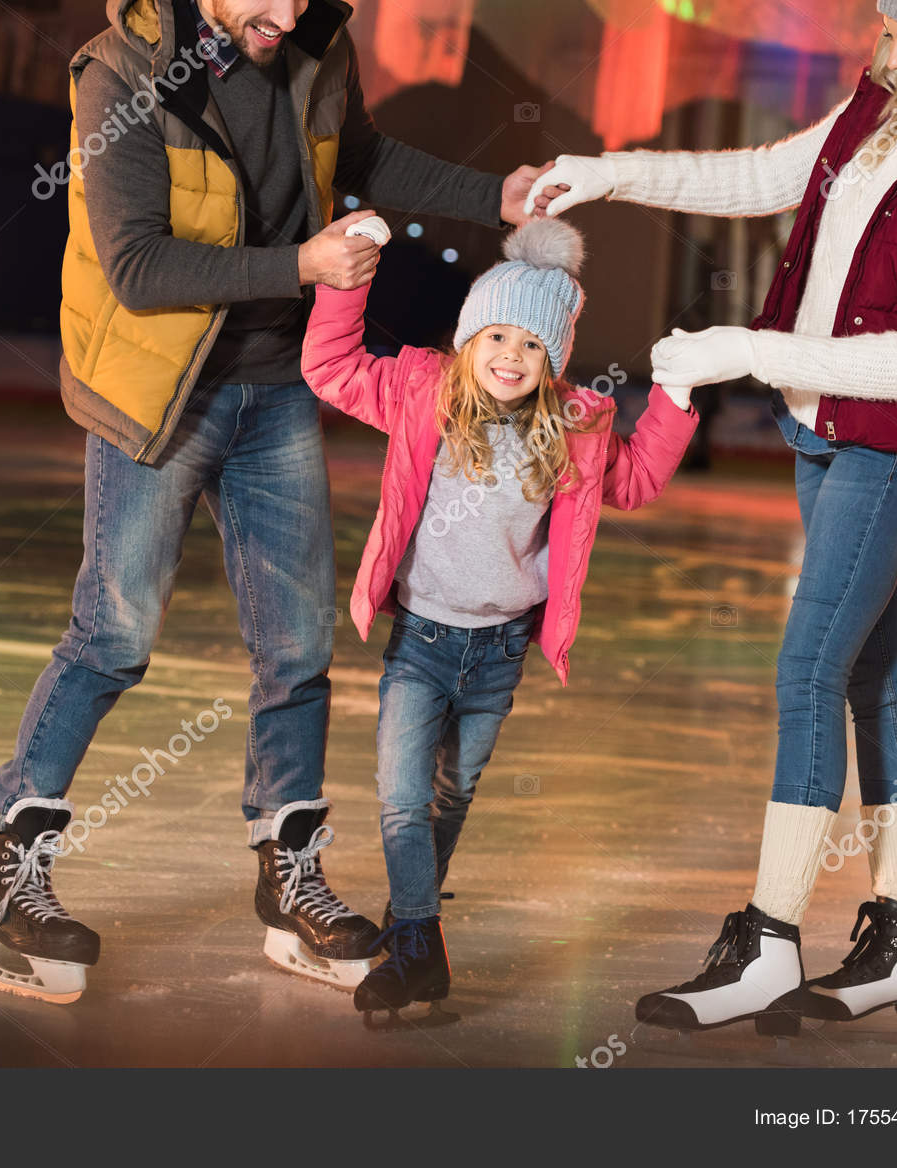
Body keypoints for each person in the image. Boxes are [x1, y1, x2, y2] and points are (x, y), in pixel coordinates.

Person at [0, 0, 552, 1004]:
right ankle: (3, 875)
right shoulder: (119, 73)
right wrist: (303, 266)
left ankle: (290, 876)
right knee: (113, 636)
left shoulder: (315, 47)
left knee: (296, 644)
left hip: (273, 388)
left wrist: (503, 196)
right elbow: (138, 268)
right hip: (155, 396)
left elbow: (361, 156)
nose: (281, 13)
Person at [529, 0, 897, 1033]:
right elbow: (762, 176)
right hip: (819, 434)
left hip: (884, 443)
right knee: (874, 671)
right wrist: (609, 172)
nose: (892, 59)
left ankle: (769, 939)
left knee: (808, 670)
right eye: (887, 36)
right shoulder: (884, 110)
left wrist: (747, 349)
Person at [300, 216, 698, 1019]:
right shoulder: (422, 394)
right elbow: (331, 368)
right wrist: (348, 282)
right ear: (468, 339)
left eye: (531, 344)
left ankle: (410, 939)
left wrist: (677, 396)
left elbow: (638, 481)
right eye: (496, 336)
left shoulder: (575, 429)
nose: (511, 356)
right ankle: (417, 940)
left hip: (499, 652)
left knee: (449, 798)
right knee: (402, 796)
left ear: (553, 358)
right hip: (421, 640)